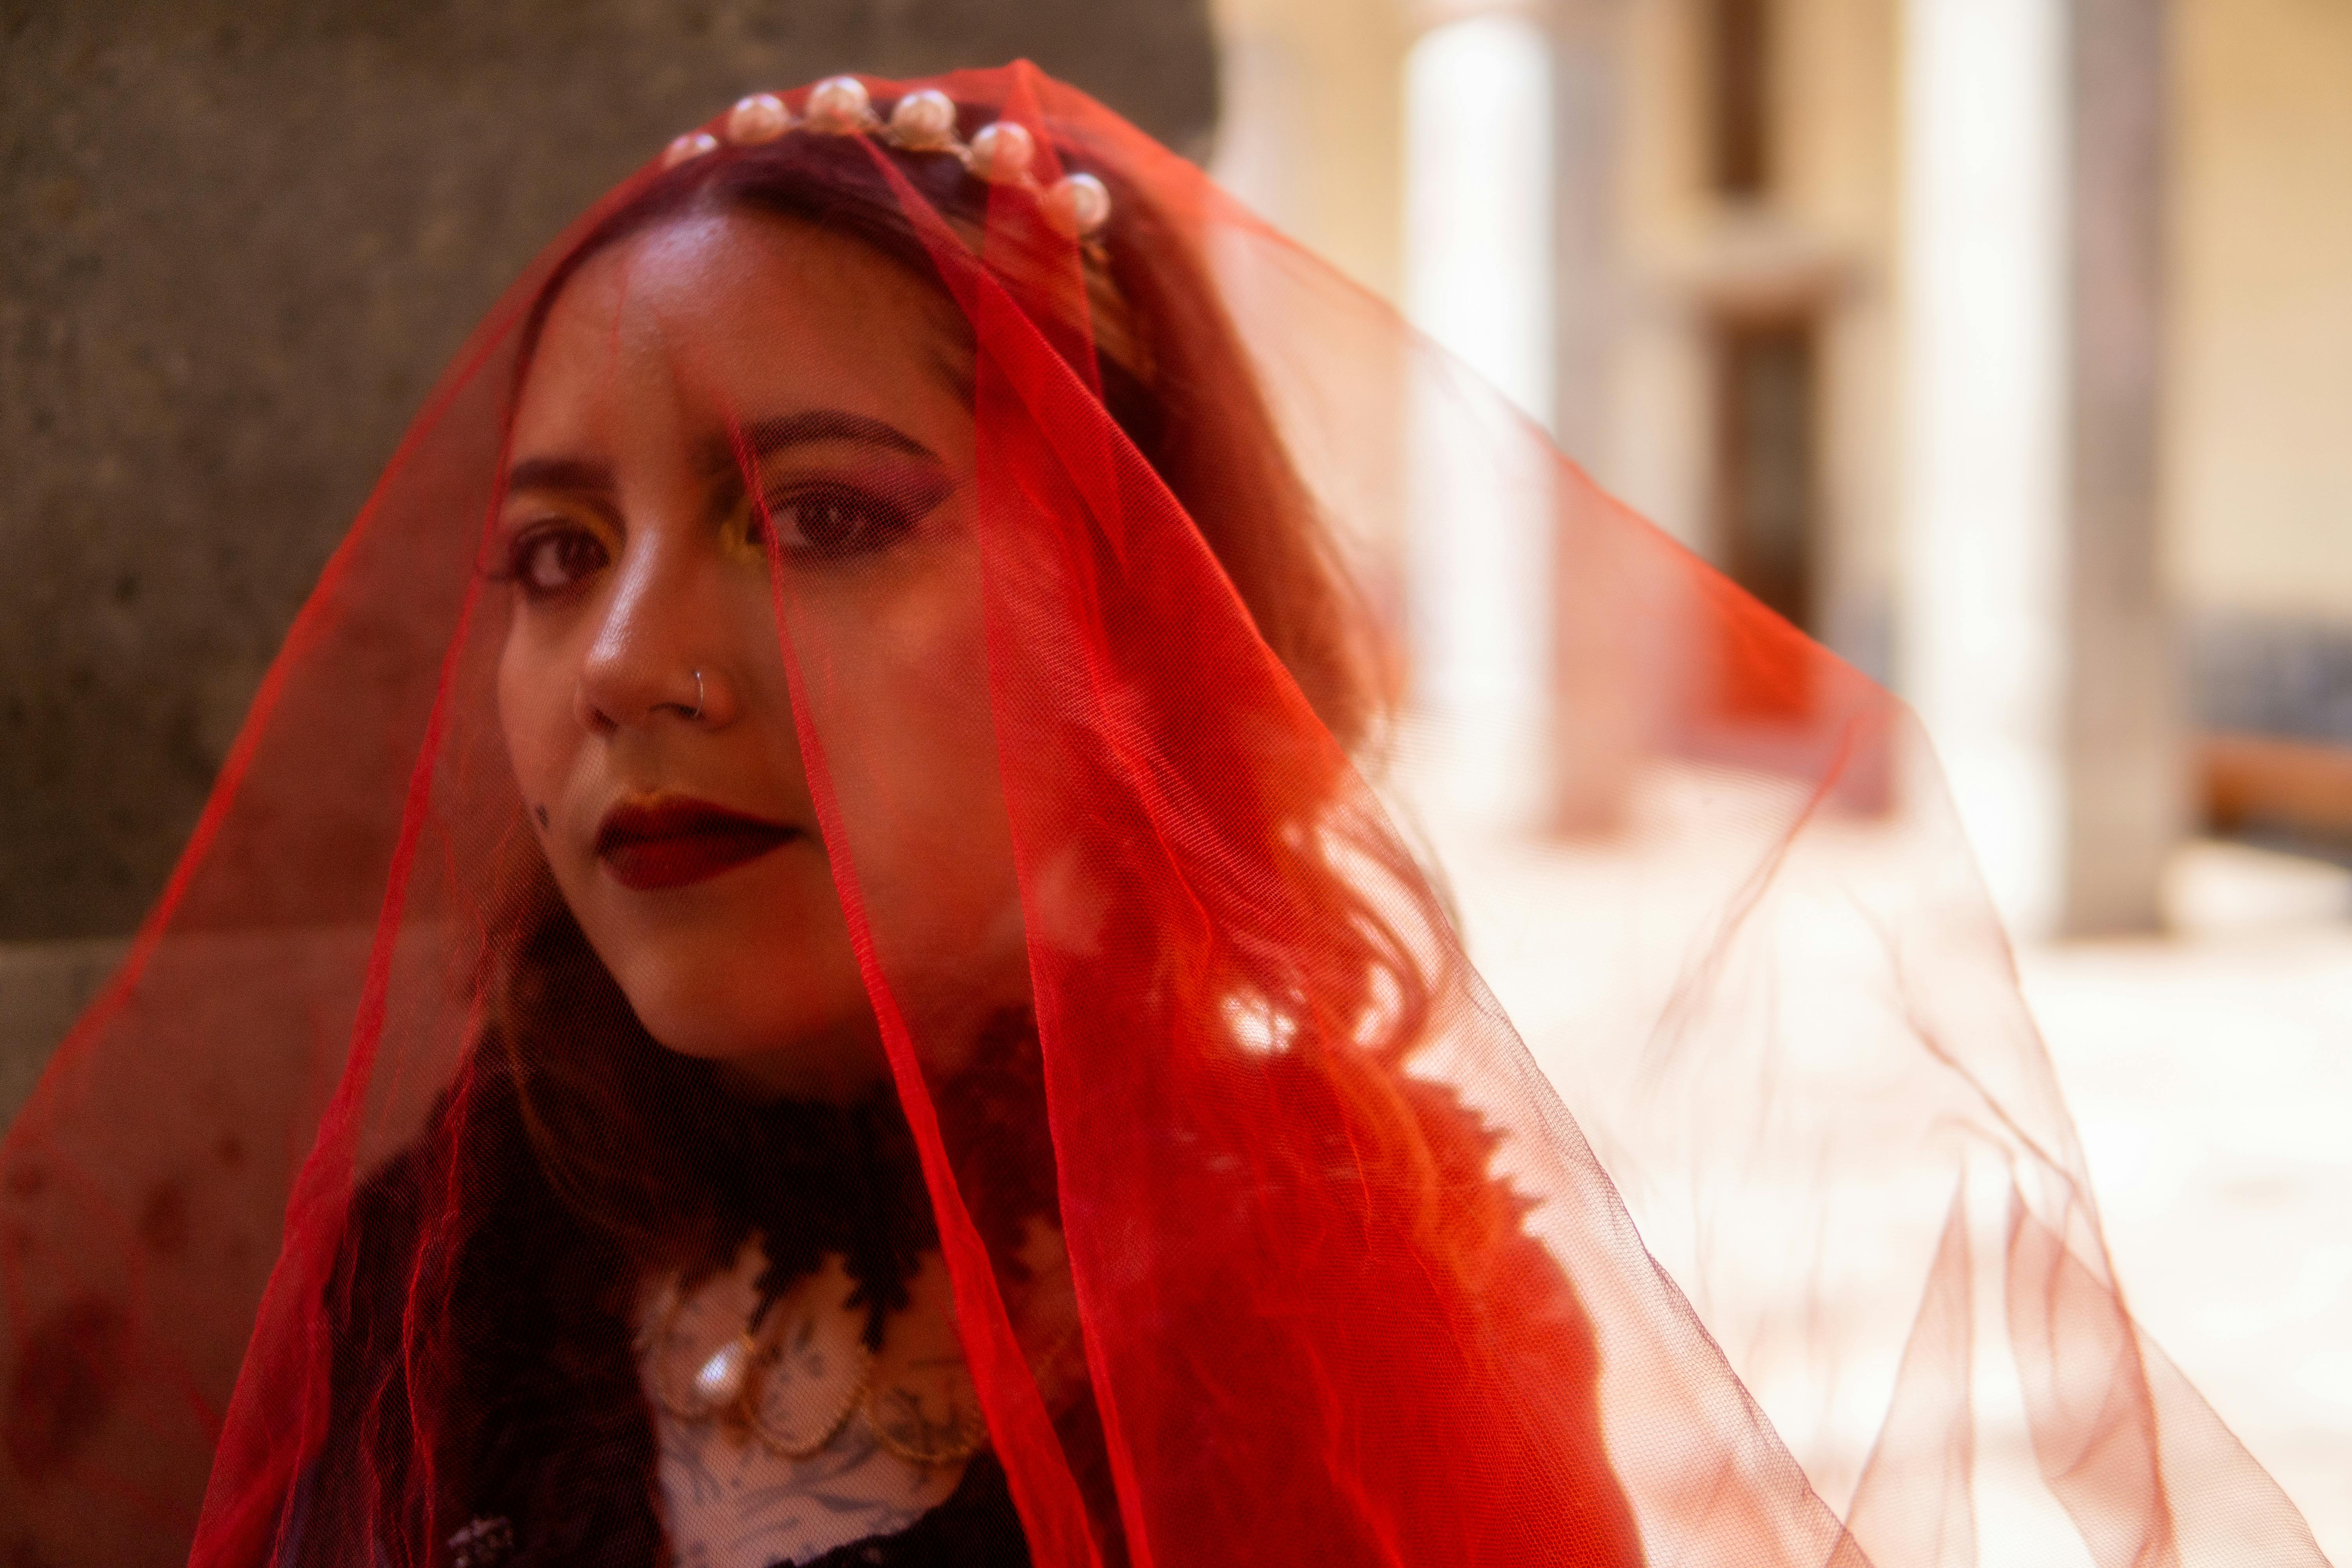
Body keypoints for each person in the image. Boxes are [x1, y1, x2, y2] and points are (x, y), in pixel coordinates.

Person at [0, 65, 2325, 1568]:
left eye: (816, 521)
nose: (625, 664)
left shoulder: (1365, 1320)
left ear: (1132, 632)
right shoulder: (441, 1273)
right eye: (550, 557)